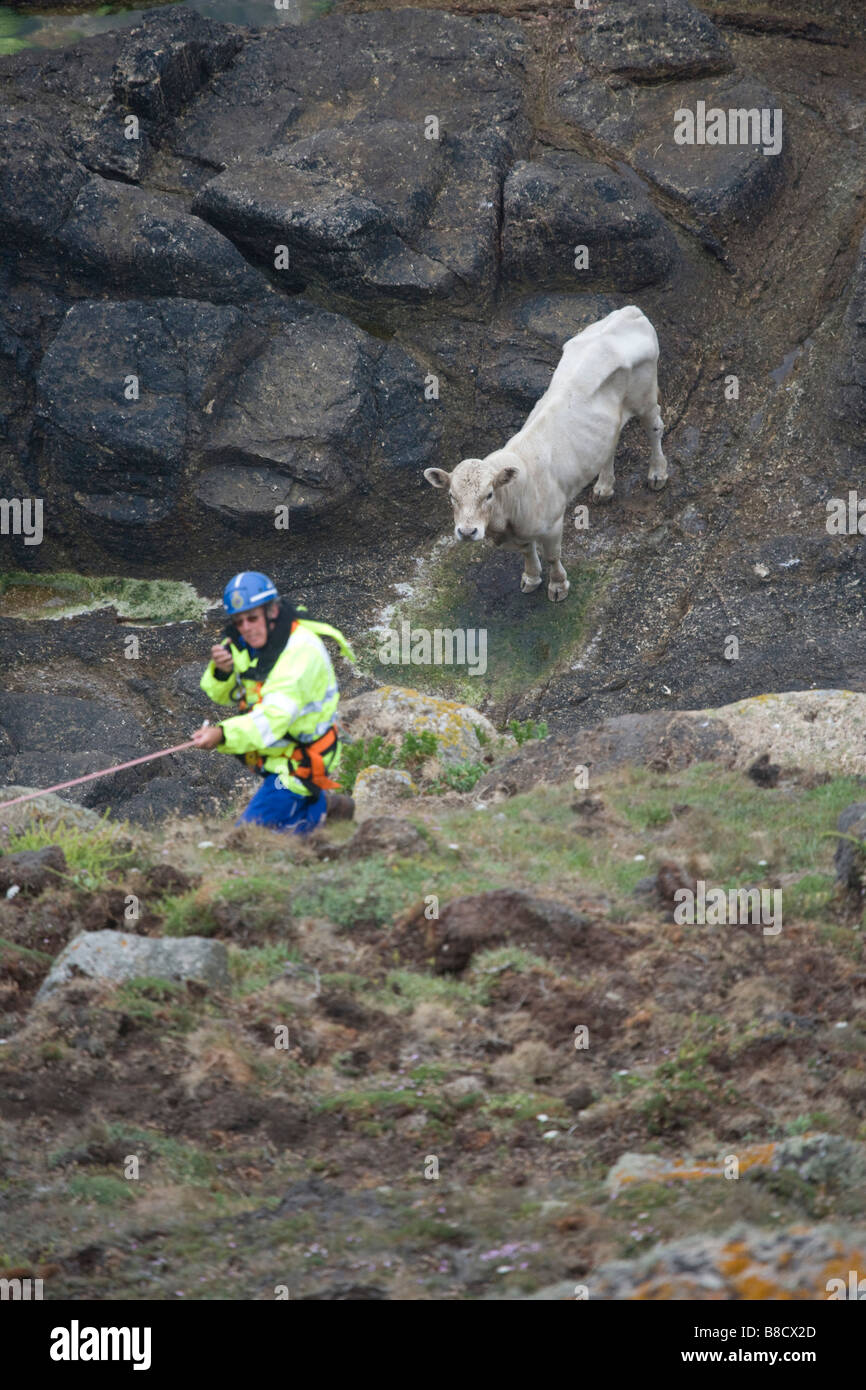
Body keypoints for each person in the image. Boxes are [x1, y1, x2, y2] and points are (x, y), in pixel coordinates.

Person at [191, 572, 356, 833]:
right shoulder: (244, 641)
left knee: (251, 836)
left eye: (252, 618)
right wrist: (221, 672)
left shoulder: (300, 652)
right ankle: (325, 809)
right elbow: (223, 695)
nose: (245, 627)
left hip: (303, 758)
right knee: (278, 827)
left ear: (273, 611)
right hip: (275, 753)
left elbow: (273, 719)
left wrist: (222, 734)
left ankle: (319, 815)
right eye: (239, 620)